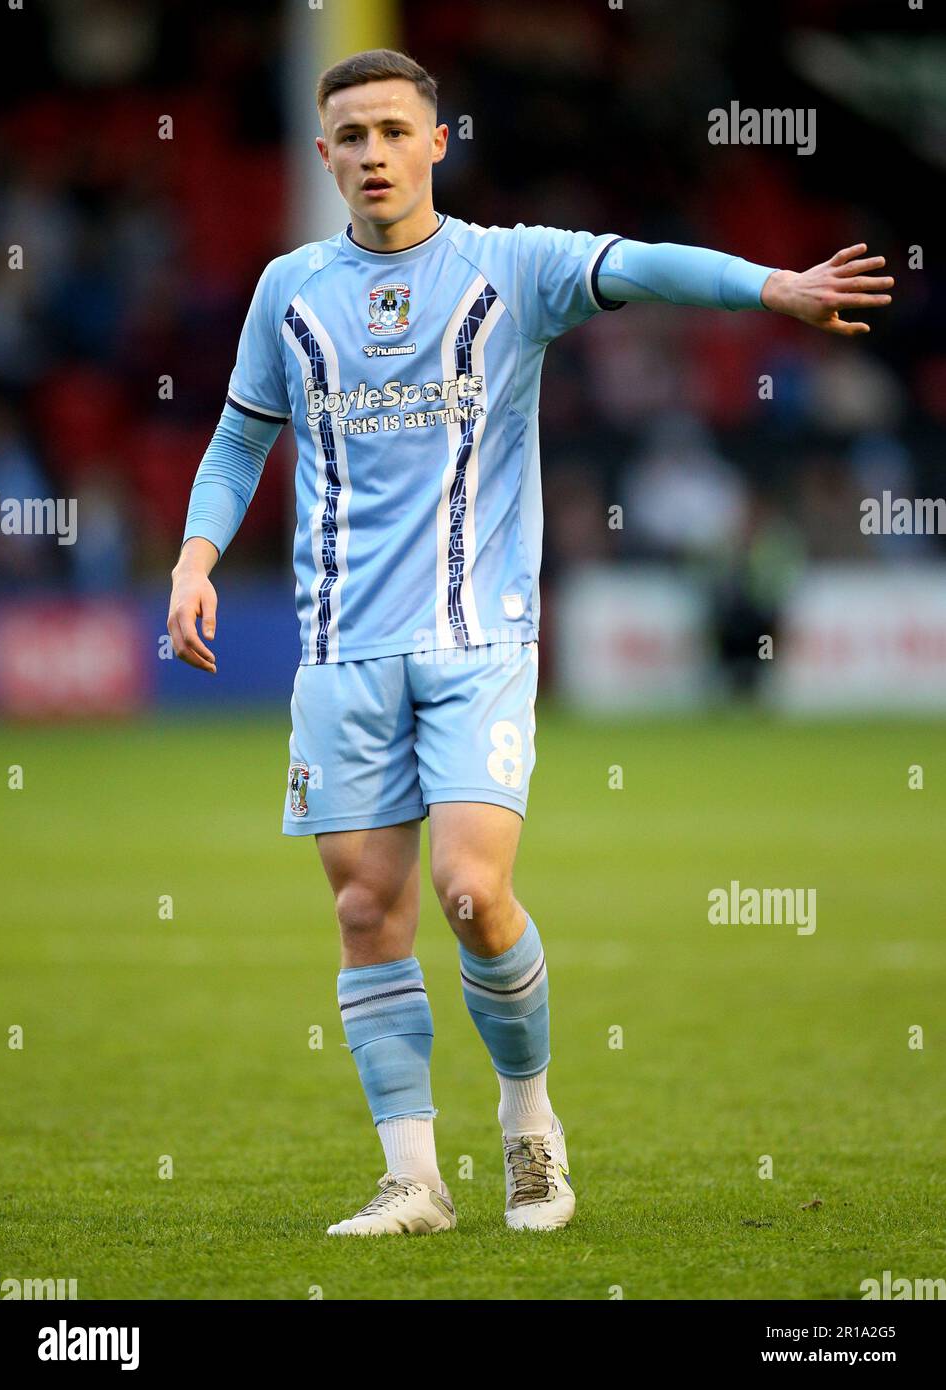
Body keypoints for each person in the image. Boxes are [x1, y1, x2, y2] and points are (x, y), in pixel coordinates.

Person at [167, 47, 893, 1236]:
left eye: (395, 131)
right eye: (350, 136)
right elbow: (240, 439)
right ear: (323, 155)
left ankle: (528, 1127)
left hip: (477, 636)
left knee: (468, 890)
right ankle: (413, 1181)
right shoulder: (286, 289)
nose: (373, 154)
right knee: (364, 912)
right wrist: (195, 560)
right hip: (340, 644)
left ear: (435, 142)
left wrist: (769, 285)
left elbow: (644, 264)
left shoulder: (510, 266)